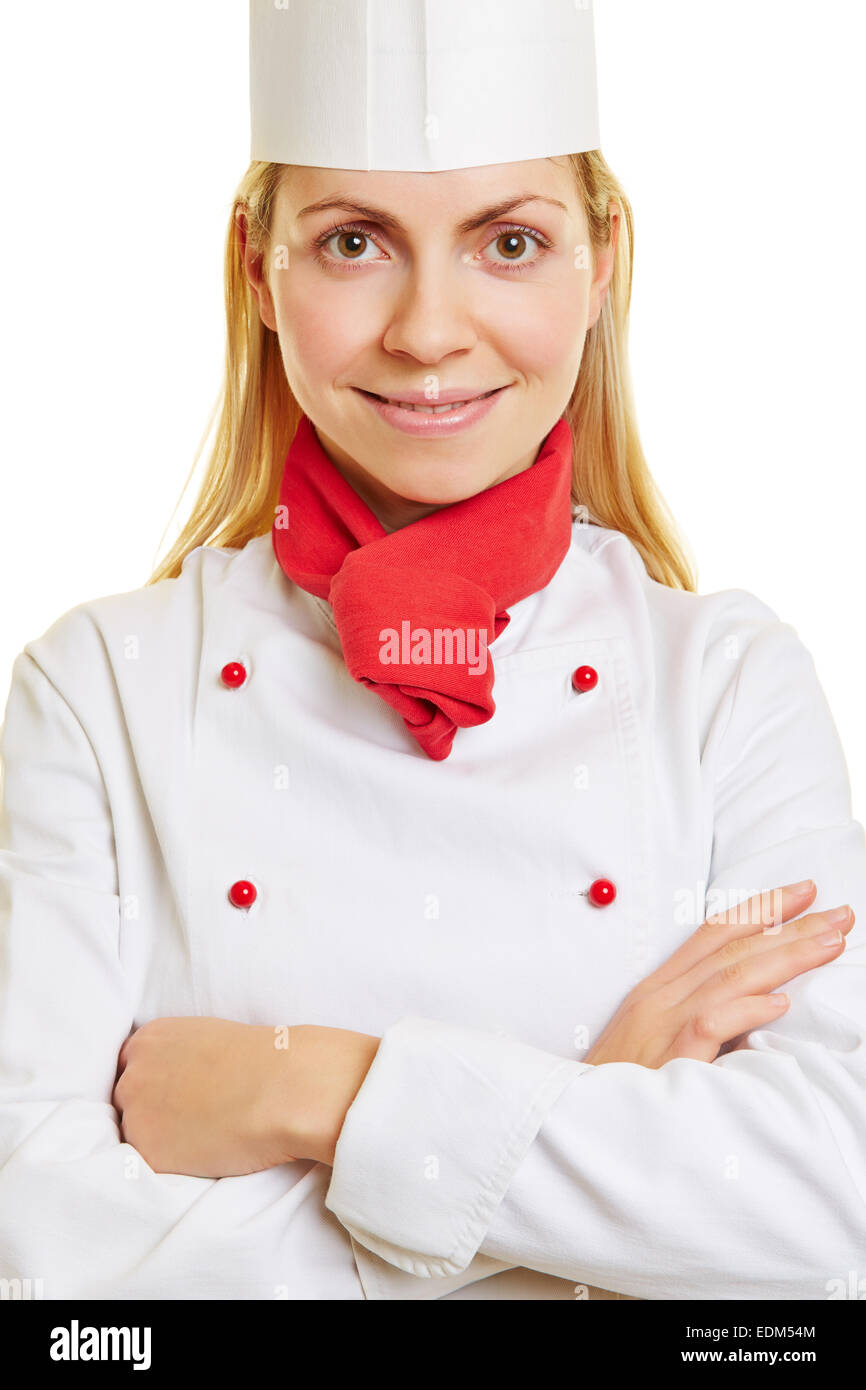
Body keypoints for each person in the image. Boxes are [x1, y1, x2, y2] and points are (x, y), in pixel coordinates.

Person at [0, 0, 864, 1302]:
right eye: (354, 242)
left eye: (507, 242)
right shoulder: (100, 690)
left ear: (602, 259)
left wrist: (311, 1087)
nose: (426, 331)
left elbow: (826, 1206)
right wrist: (599, 1125)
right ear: (257, 268)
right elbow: (42, 1253)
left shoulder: (726, 686)